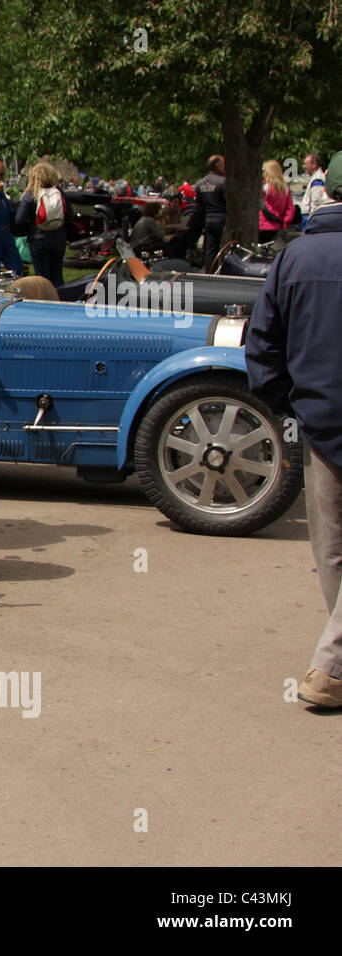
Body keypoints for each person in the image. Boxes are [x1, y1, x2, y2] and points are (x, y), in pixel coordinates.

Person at [245, 150, 342, 708]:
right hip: (319, 414)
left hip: (319, 420)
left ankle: (333, 663)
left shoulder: (293, 258)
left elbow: (262, 344)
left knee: (330, 548)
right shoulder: (294, 256)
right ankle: (333, 664)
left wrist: (290, 404)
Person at [13, 161, 68, 286]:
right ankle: (61, 299)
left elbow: (19, 220)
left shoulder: (31, 195)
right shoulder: (59, 193)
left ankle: (47, 302)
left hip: (39, 239)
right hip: (59, 238)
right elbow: (69, 214)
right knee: (57, 275)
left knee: (42, 278)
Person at [187, 155, 226, 269]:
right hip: (221, 217)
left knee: (210, 249)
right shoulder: (223, 182)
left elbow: (199, 205)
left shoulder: (200, 184)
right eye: (223, 165)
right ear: (218, 165)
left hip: (208, 219)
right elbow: (227, 202)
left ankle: (210, 271)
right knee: (224, 248)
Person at [258, 159, 295, 242]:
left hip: (263, 225)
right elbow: (290, 207)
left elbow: (264, 207)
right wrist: (285, 220)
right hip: (279, 226)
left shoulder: (265, 187)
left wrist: (274, 217)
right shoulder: (285, 188)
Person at [302, 153, 329, 225]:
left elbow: (316, 203)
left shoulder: (317, 180)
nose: (304, 166)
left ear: (314, 165)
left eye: (305, 164)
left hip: (311, 219)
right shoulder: (316, 178)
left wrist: (312, 222)